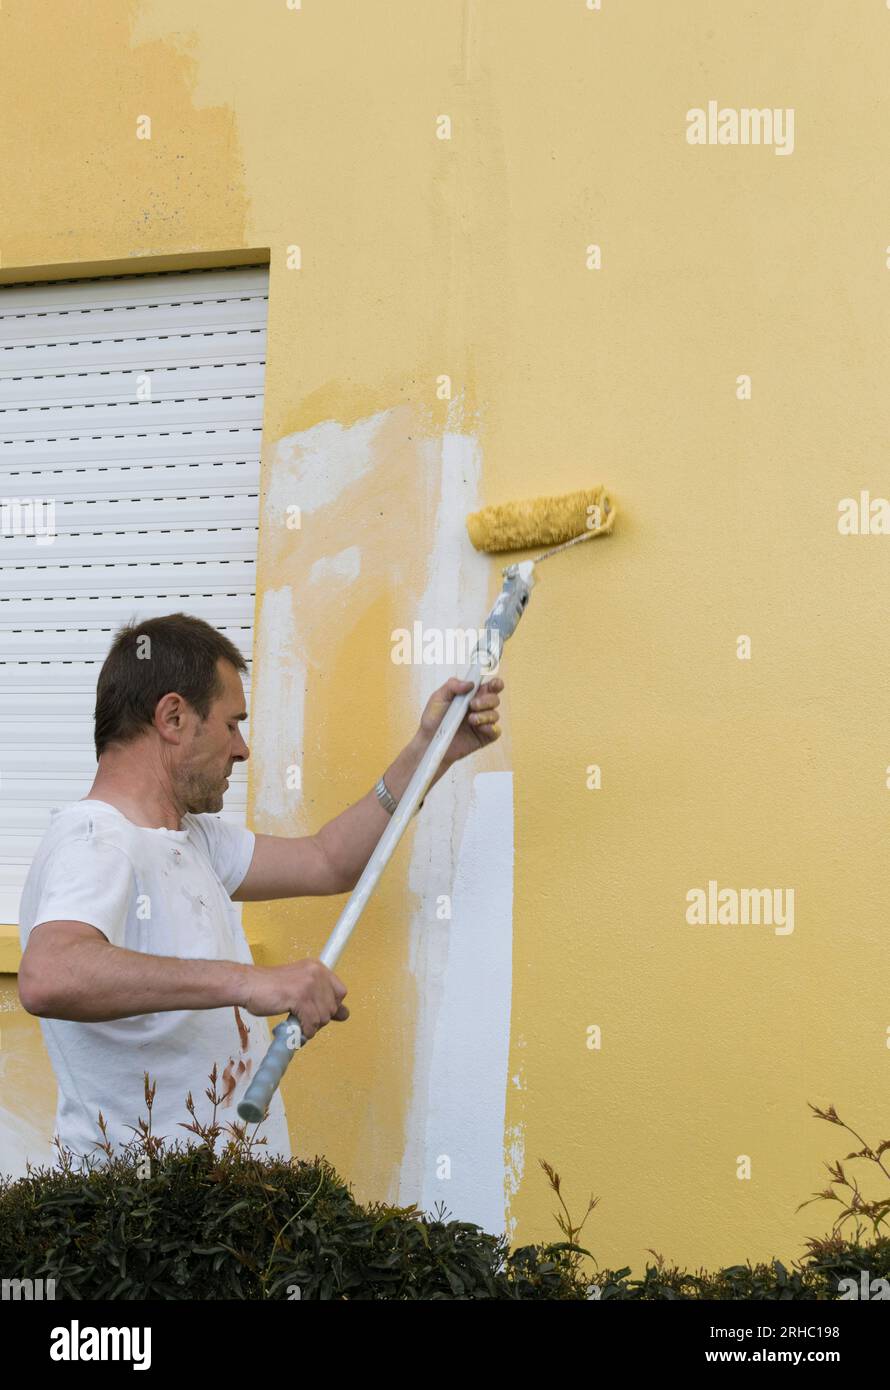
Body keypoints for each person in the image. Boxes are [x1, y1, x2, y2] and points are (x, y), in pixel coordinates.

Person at [16, 613, 502, 1167]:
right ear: (173, 717)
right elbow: (49, 974)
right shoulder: (96, 839)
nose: (243, 748)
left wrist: (429, 751)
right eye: (232, 724)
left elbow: (328, 861)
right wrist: (251, 983)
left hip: (211, 1215)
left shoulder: (188, 839)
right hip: (142, 1226)